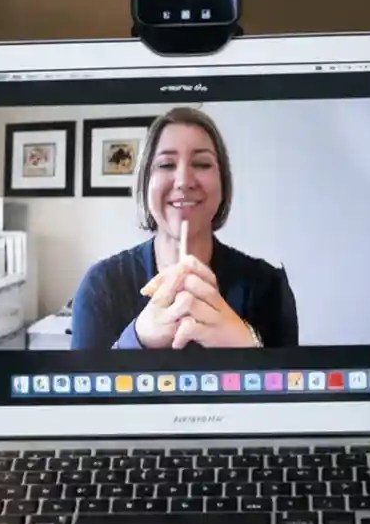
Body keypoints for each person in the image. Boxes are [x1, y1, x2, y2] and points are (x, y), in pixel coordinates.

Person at [70, 106, 299, 350]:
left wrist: (249, 346)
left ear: (223, 184)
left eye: (201, 164)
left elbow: (293, 384)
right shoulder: (101, 287)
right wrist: (137, 339)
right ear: (145, 182)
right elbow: (84, 387)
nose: (184, 181)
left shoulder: (268, 287)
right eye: (166, 164)